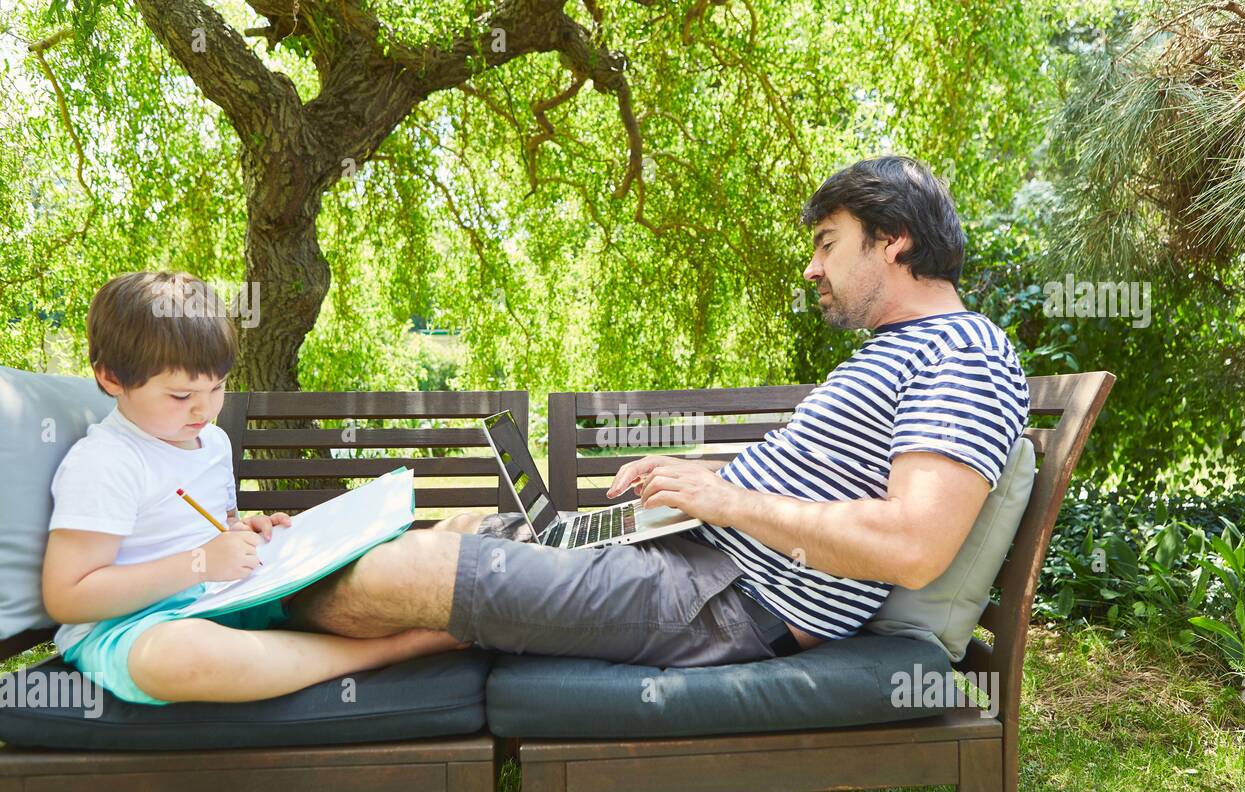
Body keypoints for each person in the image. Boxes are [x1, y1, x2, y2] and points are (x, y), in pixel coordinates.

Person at [286, 155, 1030, 671]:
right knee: (458, 528)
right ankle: (265, 591)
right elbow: (821, 488)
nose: (811, 268)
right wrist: (697, 483)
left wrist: (725, 499)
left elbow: (913, 545)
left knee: (407, 572)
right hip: (697, 557)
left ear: (892, 240)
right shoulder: (900, 348)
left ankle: (250, 608)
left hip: (731, 599)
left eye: (826, 244)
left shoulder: (964, 352)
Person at [41, 272, 458, 706]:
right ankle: (384, 653)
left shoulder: (213, 442)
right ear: (111, 378)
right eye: (181, 396)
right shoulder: (106, 461)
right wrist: (200, 563)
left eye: (217, 387)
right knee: (181, 657)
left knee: (361, 578)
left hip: (219, 601)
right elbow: (68, 597)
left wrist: (245, 533)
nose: (204, 408)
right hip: (129, 627)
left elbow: (216, 528)